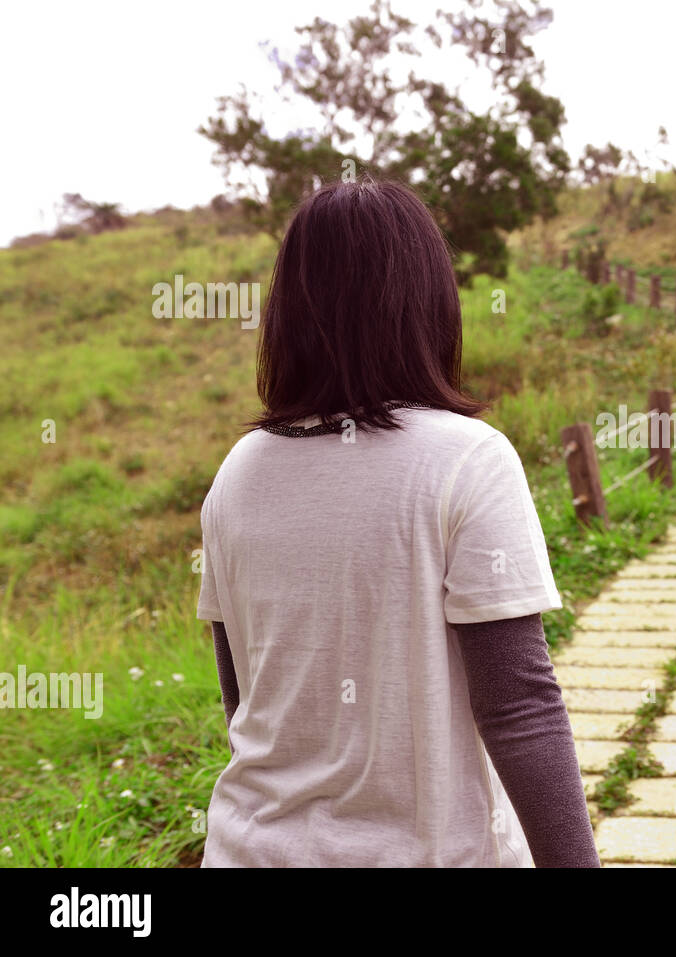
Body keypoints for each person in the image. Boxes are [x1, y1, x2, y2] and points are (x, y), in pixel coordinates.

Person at [196, 178, 599, 868]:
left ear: (288, 312)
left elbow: (246, 701)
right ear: (427, 303)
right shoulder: (467, 460)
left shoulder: (237, 472)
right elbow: (520, 707)